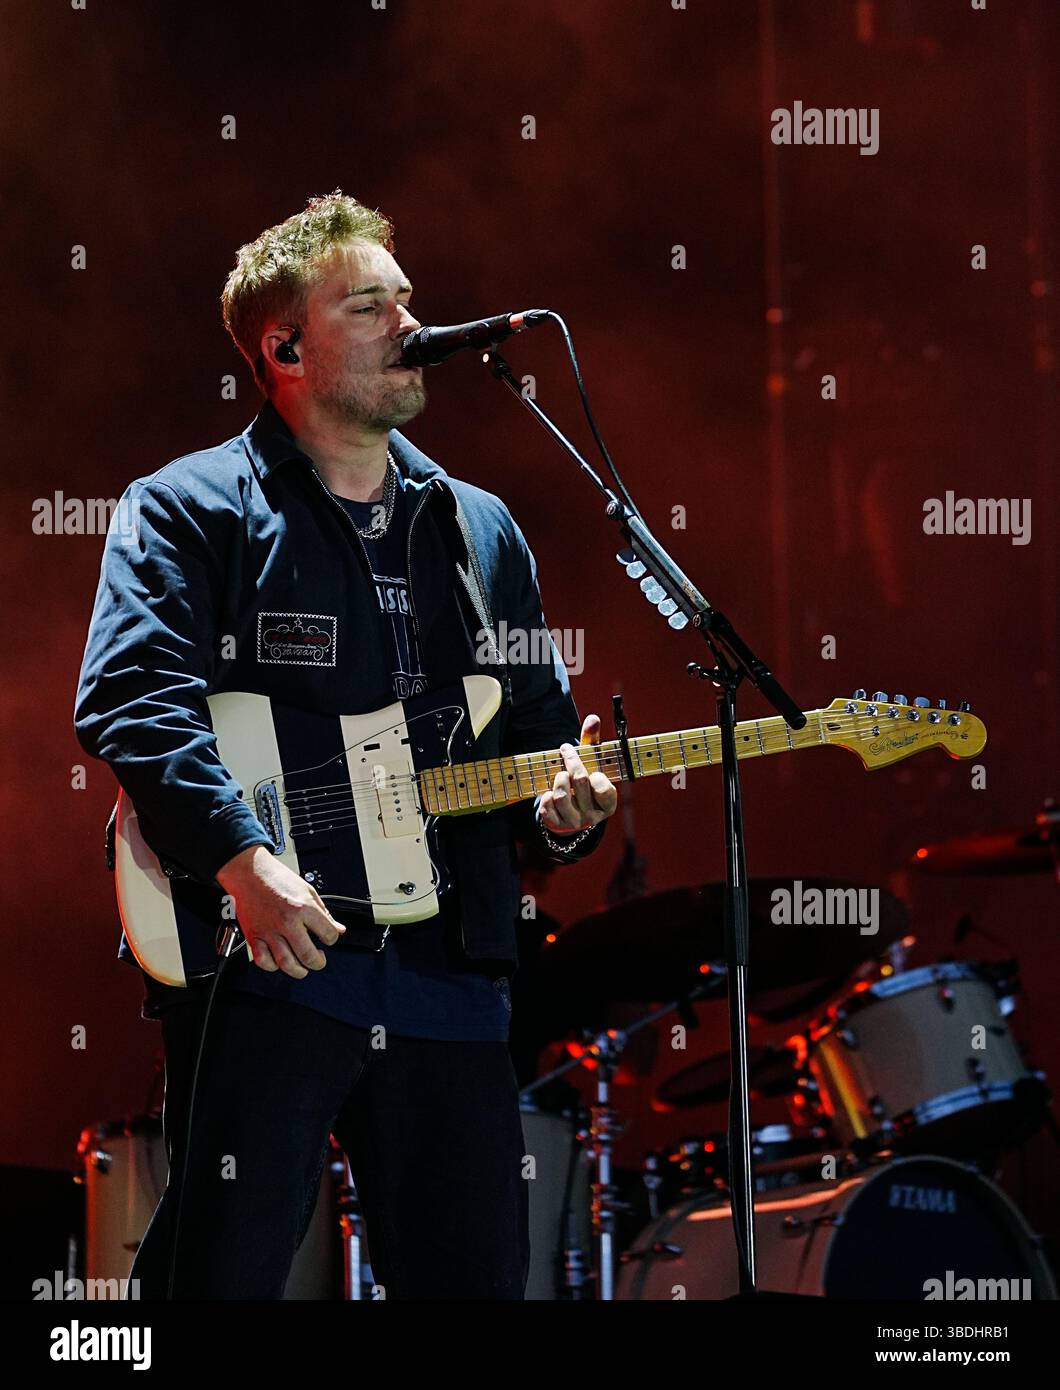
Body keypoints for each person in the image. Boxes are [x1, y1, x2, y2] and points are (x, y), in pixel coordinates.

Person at [73, 190, 617, 1300]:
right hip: (269, 958)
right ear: (282, 347)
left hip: (451, 973)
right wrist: (242, 857)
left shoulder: (480, 527)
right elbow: (132, 697)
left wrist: (567, 811)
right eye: (370, 306)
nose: (410, 324)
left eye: (407, 299)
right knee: (218, 1273)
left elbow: (540, 738)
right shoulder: (186, 508)